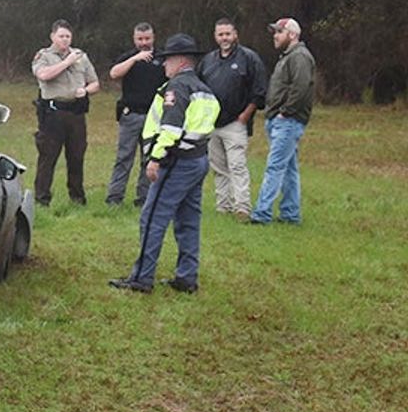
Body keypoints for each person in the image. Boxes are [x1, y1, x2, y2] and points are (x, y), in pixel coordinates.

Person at [110, 34, 219, 294]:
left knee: (152, 218)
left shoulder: (176, 89)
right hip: (198, 160)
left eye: (167, 60)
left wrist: (156, 157)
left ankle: (141, 278)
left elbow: (170, 128)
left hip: (176, 162)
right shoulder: (203, 89)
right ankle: (186, 277)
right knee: (189, 221)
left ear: (180, 61)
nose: (163, 66)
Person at [197, 18, 267, 220]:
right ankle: (223, 206)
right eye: (220, 34)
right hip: (212, 124)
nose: (224, 38)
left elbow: (260, 90)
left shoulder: (249, 58)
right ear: (215, 36)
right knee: (218, 168)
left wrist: (245, 116)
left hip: (236, 123)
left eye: (228, 34)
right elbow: (198, 86)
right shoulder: (208, 60)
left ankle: (242, 208)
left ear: (235, 34)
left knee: (237, 166)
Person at [250, 17, 315, 225]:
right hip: (280, 120)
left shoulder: (300, 56)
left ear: (292, 35)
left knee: (275, 166)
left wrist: (286, 112)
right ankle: (290, 214)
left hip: (288, 121)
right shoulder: (288, 56)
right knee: (289, 168)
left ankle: (261, 214)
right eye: (275, 32)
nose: (275, 36)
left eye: (279, 32)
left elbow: (301, 87)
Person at [31, 19, 100, 206]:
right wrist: (67, 62)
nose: (65, 40)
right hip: (53, 114)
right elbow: (43, 75)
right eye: (61, 36)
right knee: (48, 157)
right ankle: (42, 199)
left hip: (76, 114)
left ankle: (77, 198)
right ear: (52, 36)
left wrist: (86, 90)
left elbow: (95, 83)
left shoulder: (81, 56)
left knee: (76, 157)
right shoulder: (43, 56)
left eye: (68, 36)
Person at [106, 22, 166, 207]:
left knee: (149, 159)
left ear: (153, 37)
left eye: (147, 38)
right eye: (140, 39)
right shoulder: (129, 58)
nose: (144, 42)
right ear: (134, 39)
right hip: (130, 116)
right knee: (124, 158)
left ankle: (145, 197)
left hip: (154, 118)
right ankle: (115, 197)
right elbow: (114, 74)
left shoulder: (162, 58)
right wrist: (135, 59)